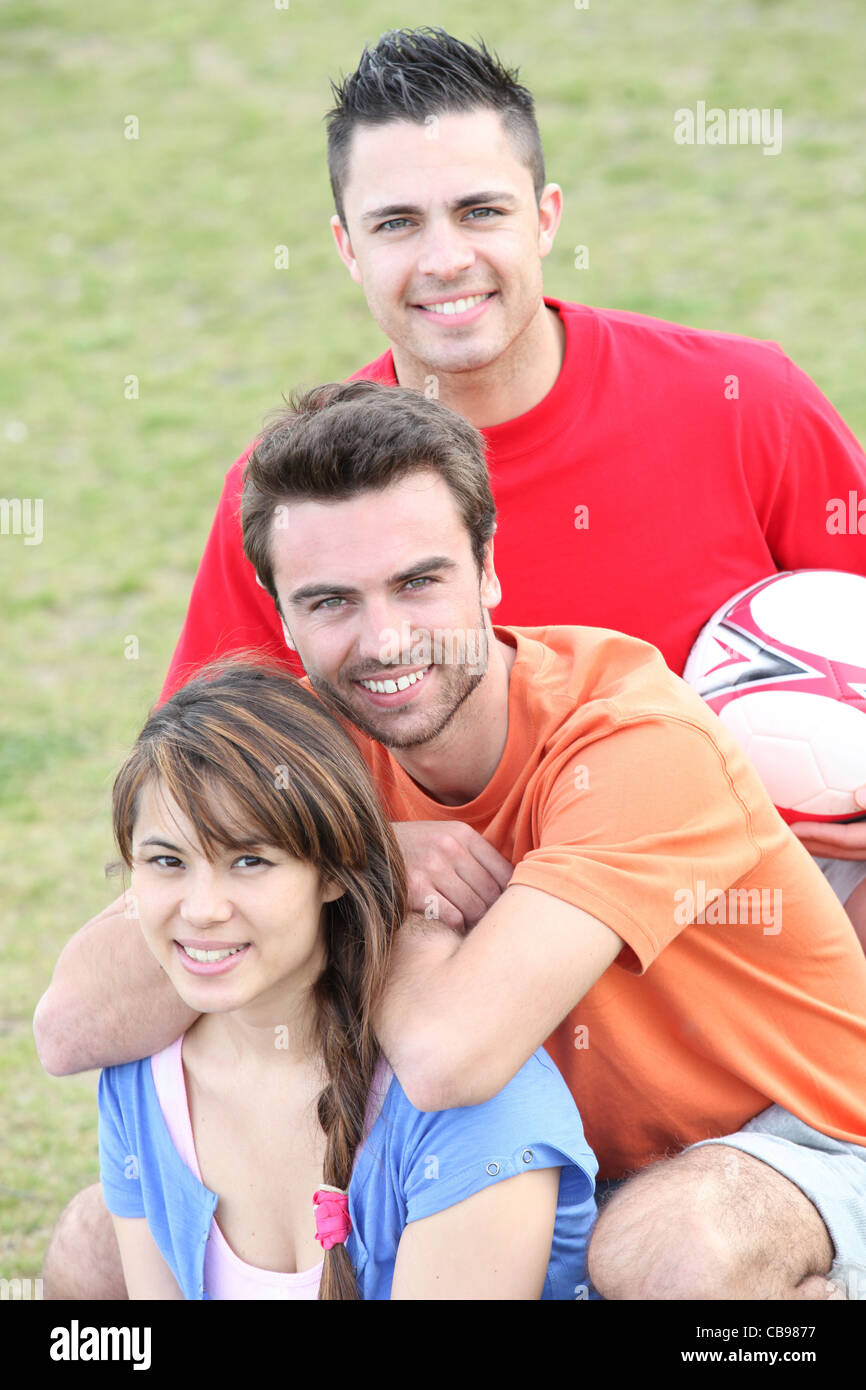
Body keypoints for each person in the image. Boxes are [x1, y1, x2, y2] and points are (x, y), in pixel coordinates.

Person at [40, 381, 866, 1302]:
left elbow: (445, 1057)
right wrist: (372, 850)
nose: (385, 639)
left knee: (666, 1256)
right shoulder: (303, 753)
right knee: (93, 1246)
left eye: (419, 582)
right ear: (283, 618)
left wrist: (354, 869)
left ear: (490, 570)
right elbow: (69, 1026)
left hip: (799, 1137)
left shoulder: (633, 741)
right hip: (529, 1160)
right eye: (331, 602)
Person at [157, 27, 866, 932]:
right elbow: (197, 790)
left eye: (480, 211)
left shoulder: (745, 401)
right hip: (475, 955)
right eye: (397, 223)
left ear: (545, 216)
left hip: (758, 919)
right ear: (346, 247)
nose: (446, 259)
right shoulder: (300, 495)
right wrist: (367, 849)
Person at [98, 660, 597, 1299]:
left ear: (335, 872)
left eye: (250, 860)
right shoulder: (141, 1077)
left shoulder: (472, 1111)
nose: (202, 908)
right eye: (167, 861)